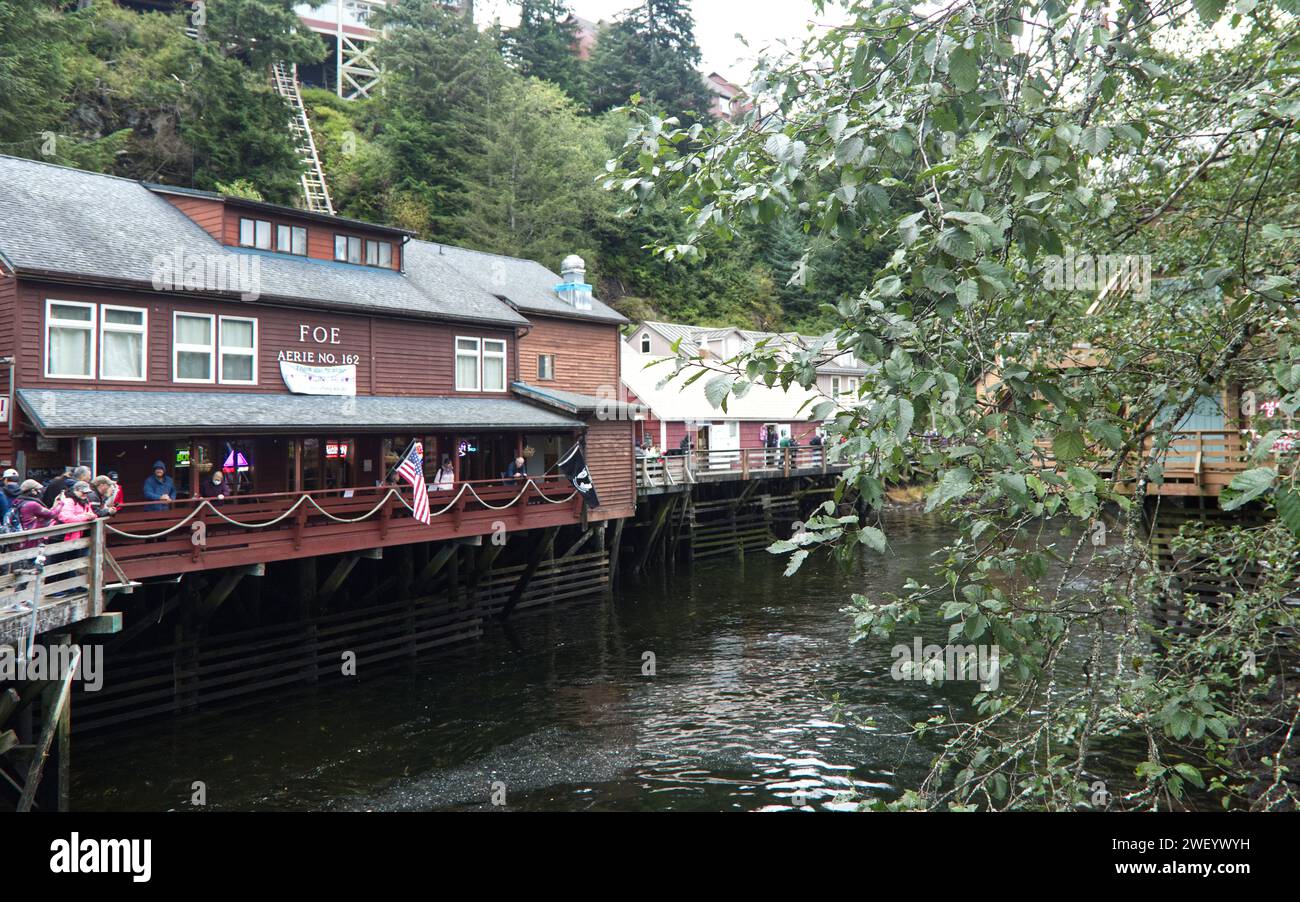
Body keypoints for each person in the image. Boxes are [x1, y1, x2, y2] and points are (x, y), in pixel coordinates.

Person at [12, 480, 57, 550]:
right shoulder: (32, 504)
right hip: (32, 539)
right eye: (39, 490)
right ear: (33, 491)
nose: (41, 492)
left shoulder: (18, 501)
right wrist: (59, 503)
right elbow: (53, 514)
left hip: (20, 538)